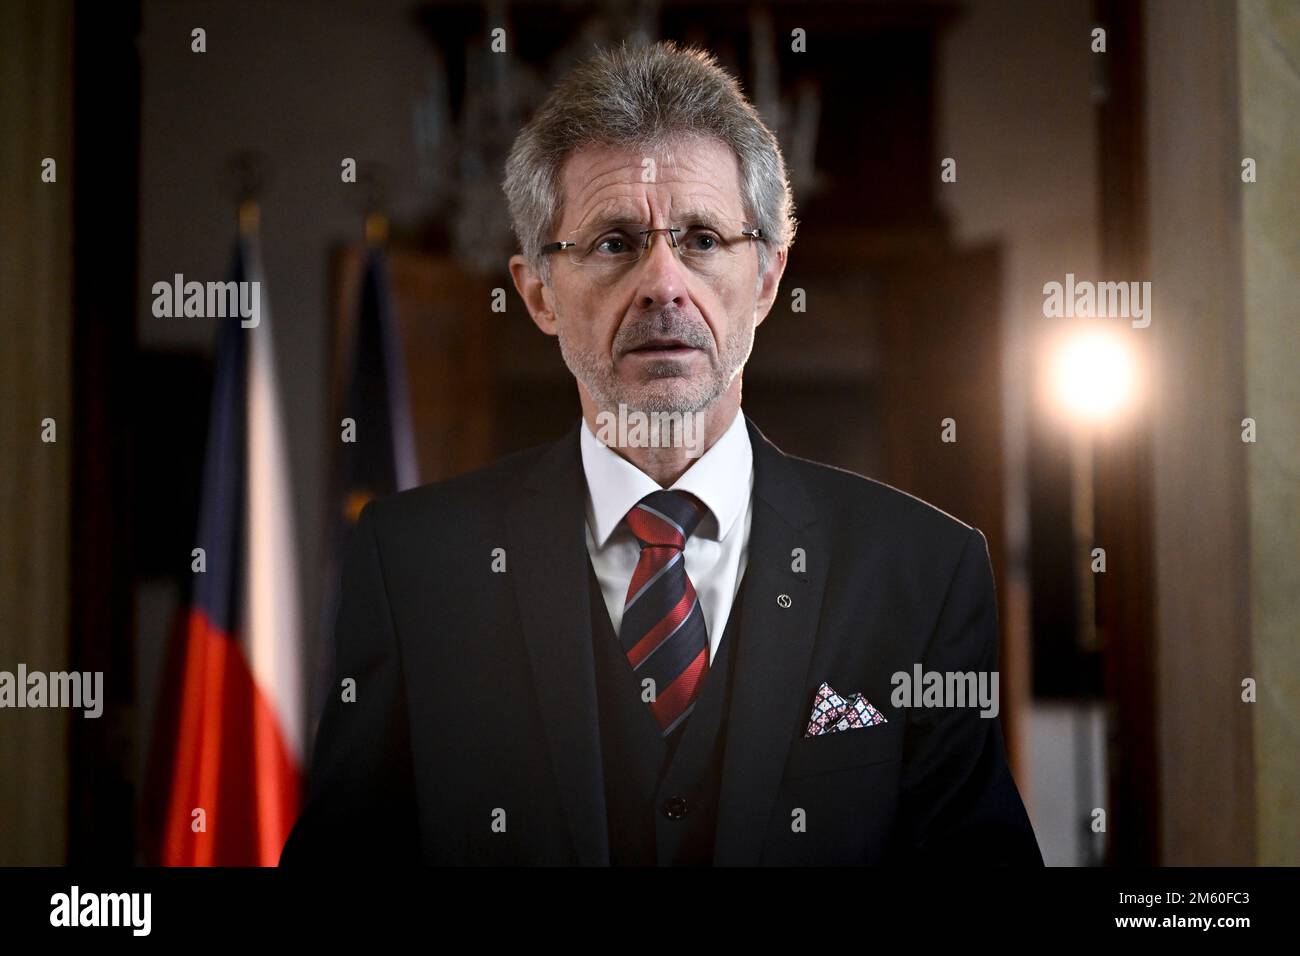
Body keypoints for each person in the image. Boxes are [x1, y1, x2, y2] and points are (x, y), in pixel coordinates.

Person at [280, 39, 1042, 866]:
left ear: (766, 277)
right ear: (537, 290)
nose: (664, 283)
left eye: (704, 239)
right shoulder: (415, 565)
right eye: (614, 242)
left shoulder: (924, 572)